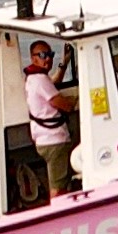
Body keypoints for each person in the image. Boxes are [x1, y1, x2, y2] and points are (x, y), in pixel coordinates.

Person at [24, 40, 78, 200]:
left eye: (50, 55)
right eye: (42, 55)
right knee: (58, 187)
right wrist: (77, 98)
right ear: (33, 58)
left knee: (60, 180)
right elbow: (64, 105)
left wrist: (64, 63)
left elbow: (52, 85)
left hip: (43, 140)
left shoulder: (33, 78)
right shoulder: (40, 79)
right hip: (54, 141)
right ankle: (58, 217)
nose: (47, 59)